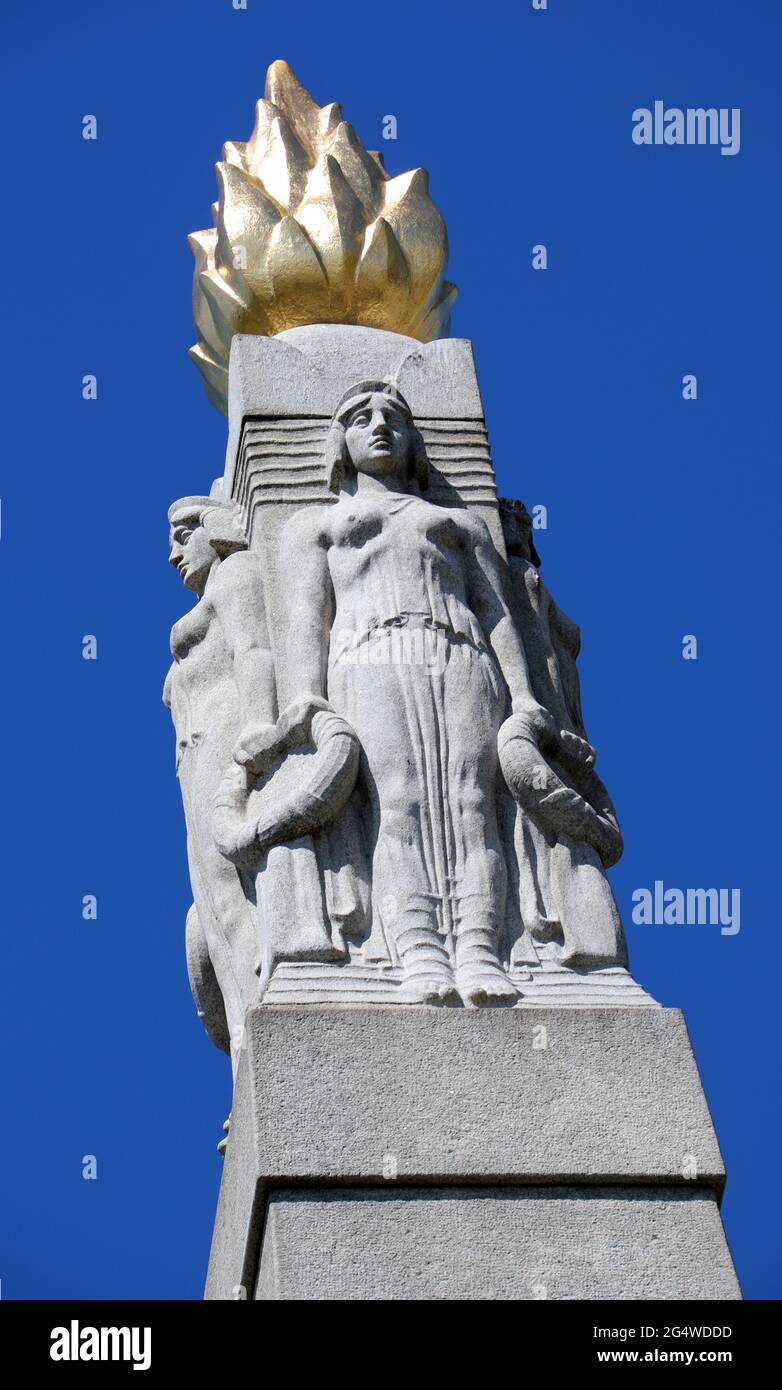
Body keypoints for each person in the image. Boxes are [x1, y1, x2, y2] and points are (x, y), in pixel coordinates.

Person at [254, 380, 555, 1006]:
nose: (378, 426)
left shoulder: (457, 523)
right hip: (367, 659)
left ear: (415, 438)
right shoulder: (320, 526)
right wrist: (307, 698)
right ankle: (418, 953)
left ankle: (477, 951)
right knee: (399, 802)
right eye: (361, 418)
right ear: (340, 440)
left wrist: (525, 696)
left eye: (393, 416)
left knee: (473, 803)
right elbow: (306, 616)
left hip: (460, 655)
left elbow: (498, 614)